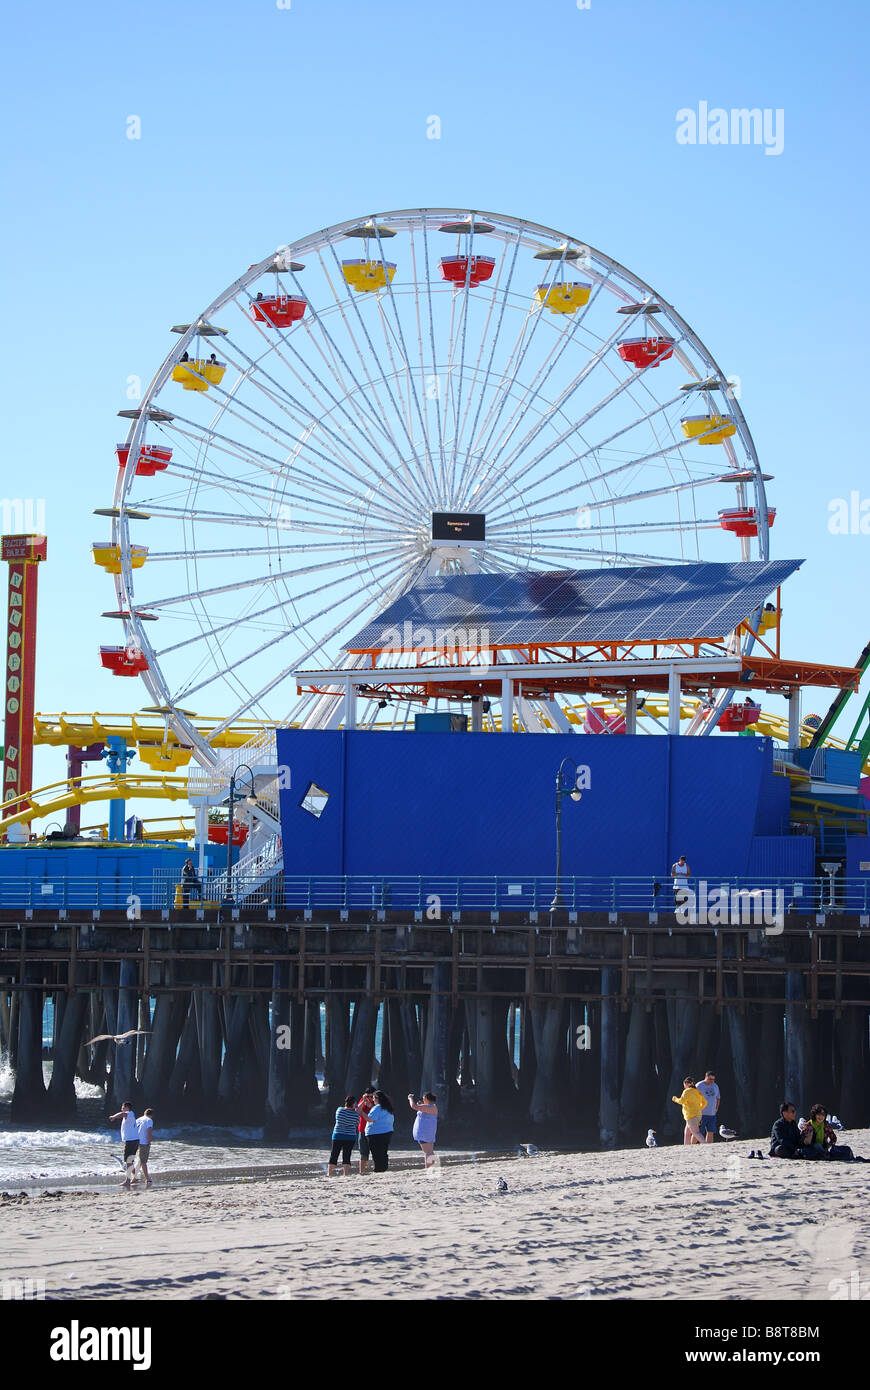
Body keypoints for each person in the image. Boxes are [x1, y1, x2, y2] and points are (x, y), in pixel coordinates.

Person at [109, 1101, 139, 1187]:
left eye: (123, 1106)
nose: (122, 1108)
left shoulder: (128, 1114)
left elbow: (122, 1114)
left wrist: (113, 1117)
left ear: (127, 1107)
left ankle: (127, 1181)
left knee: (128, 1161)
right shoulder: (130, 1115)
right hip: (133, 1140)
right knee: (130, 1160)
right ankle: (135, 1177)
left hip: (131, 1141)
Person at [365, 1090, 395, 1172]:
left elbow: (370, 1119)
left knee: (376, 1153)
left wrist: (361, 1112)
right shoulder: (388, 1108)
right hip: (387, 1132)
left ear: (378, 1099)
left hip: (375, 1134)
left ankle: (378, 1169)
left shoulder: (377, 1107)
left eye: (374, 1098)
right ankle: (383, 1168)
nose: (373, 1100)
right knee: (383, 1152)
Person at [328, 1096, 359, 1176]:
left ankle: (329, 1173)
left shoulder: (339, 1110)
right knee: (347, 1155)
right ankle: (345, 1173)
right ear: (353, 1104)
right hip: (350, 1136)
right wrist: (356, 1109)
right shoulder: (355, 1114)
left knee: (334, 1154)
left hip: (338, 1135)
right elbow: (357, 1123)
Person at [671, 1076, 707, 1145]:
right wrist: (699, 1109)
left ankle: (705, 1144)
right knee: (687, 1133)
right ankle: (686, 1147)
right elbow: (705, 1102)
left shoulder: (687, 1091)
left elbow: (681, 1101)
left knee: (696, 1132)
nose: (684, 1086)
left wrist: (675, 1099)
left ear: (687, 1084)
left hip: (691, 1115)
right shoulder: (697, 1091)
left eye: (684, 1084)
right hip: (698, 1114)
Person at [408, 1091, 438, 1167]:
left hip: (425, 1132)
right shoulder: (432, 1106)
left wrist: (410, 1098)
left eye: (424, 1098)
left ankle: (429, 1167)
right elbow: (421, 1108)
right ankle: (430, 1167)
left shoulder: (429, 1107)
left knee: (427, 1152)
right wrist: (420, 1104)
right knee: (429, 1151)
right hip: (429, 1131)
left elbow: (413, 1106)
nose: (423, 1099)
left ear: (427, 1099)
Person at [356, 1086, 377, 1175]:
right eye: (367, 1096)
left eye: (371, 1096)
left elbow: (377, 1113)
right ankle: (362, 1172)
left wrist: (371, 1106)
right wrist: (363, 1102)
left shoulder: (377, 1102)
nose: (369, 1098)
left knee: (375, 1152)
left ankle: (377, 1170)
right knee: (363, 1153)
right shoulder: (363, 1100)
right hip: (362, 1130)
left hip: (374, 1130)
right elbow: (357, 1111)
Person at [696, 1070, 720, 1144]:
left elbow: (718, 1098)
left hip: (712, 1114)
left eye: (713, 1079)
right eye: (710, 1079)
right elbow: (693, 1098)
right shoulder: (699, 1085)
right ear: (705, 1077)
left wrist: (716, 1109)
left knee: (711, 1131)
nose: (712, 1081)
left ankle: (708, 1147)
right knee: (698, 1132)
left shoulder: (715, 1086)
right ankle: (692, 1146)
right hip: (701, 1113)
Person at [136, 1108, 154, 1187]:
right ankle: (147, 1178)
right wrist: (149, 1141)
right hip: (144, 1142)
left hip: (136, 1142)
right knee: (143, 1162)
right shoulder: (149, 1120)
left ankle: (134, 1177)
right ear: (151, 1115)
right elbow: (149, 1131)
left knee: (139, 1161)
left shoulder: (138, 1119)